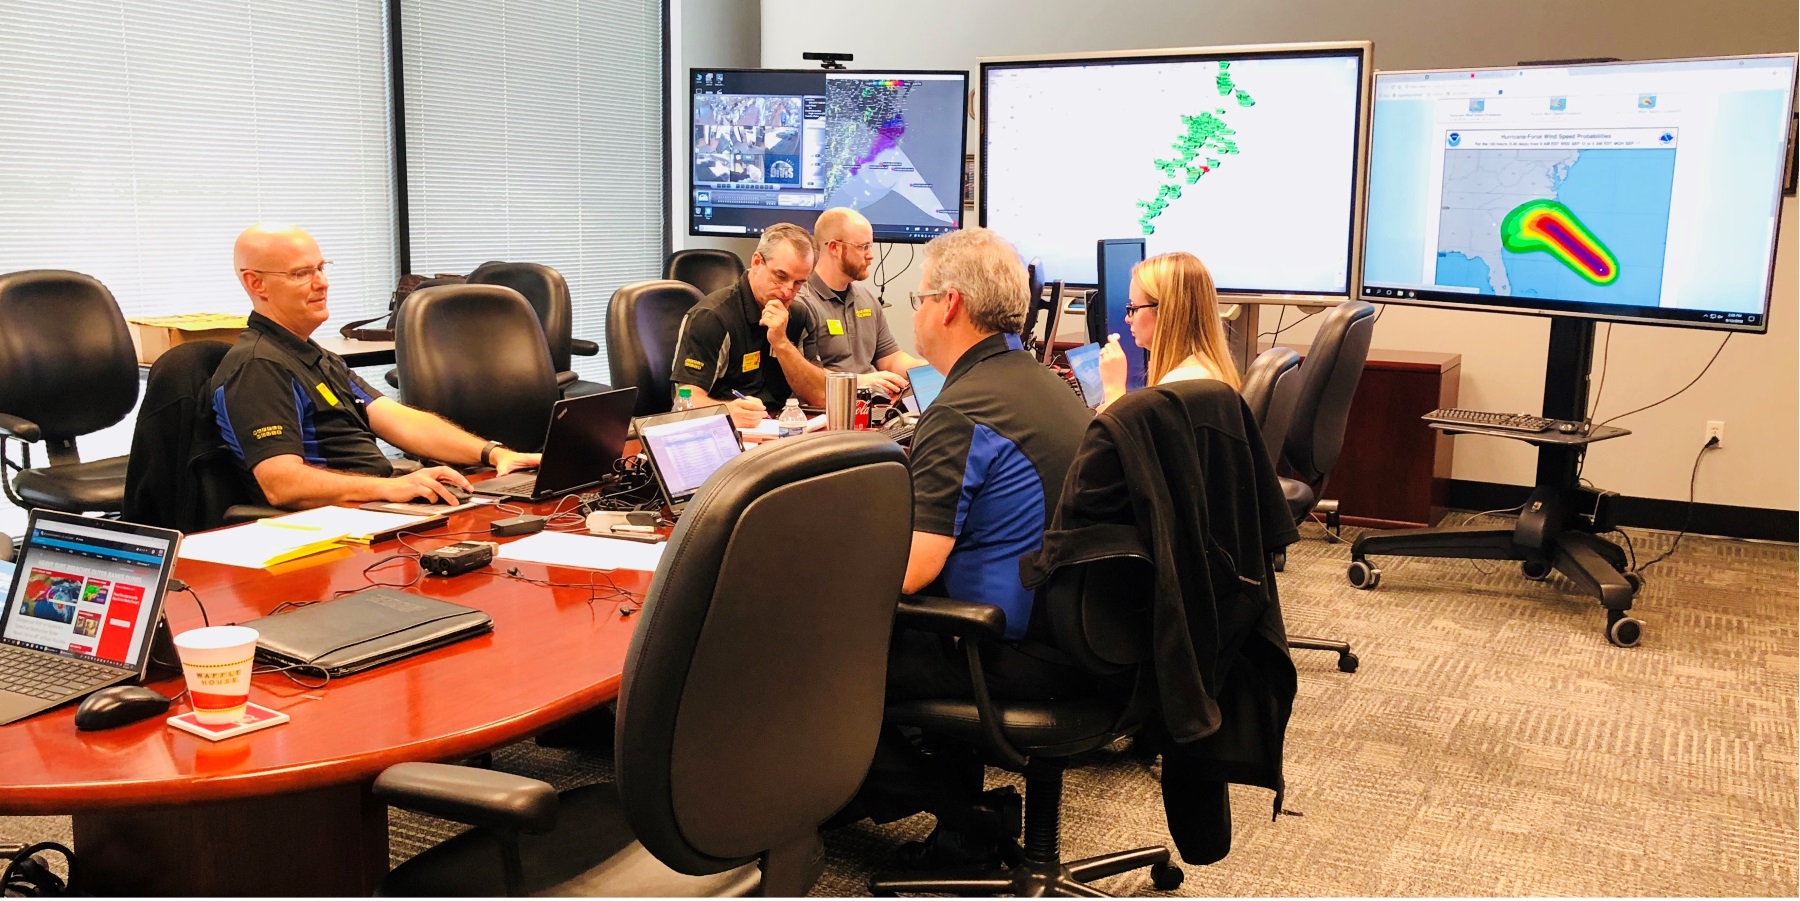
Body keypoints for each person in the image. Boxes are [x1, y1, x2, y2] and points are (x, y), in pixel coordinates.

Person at [860, 227, 1096, 867]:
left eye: (918, 297)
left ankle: (967, 814)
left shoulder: (961, 409)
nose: (914, 311)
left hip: (1010, 652)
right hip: (1087, 637)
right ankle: (963, 824)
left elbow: (910, 573)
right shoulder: (1046, 385)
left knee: (813, 654)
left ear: (951, 304)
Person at [211, 223, 541, 509]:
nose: (322, 282)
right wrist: (388, 488)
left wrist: (494, 454)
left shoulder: (310, 355)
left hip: (374, 504)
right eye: (301, 273)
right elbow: (281, 484)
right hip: (334, 524)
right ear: (256, 283)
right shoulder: (258, 367)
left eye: (321, 268)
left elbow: (402, 421)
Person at [671, 223, 828, 428]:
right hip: (726, 432)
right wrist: (726, 411)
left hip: (781, 429)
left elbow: (821, 396)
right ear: (756, 262)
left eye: (799, 282)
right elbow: (685, 400)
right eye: (781, 276)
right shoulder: (712, 317)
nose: (788, 290)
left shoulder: (798, 315)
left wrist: (781, 343)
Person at [791, 208, 927, 397]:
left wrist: (929, 369)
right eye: (863, 247)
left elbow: (890, 359)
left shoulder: (866, 299)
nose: (871, 255)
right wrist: (859, 380)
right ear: (834, 248)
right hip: (830, 408)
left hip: (873, 404)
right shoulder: (801, 303)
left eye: (870, 246)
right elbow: (803, 376)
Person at [1096, 251, 1242, 411]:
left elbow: (1117, 436)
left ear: (1165, 311)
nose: (1128, 318)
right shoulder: (1206, 370)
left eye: (1133, 307)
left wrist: (1114, 391)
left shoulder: (1177, 389)